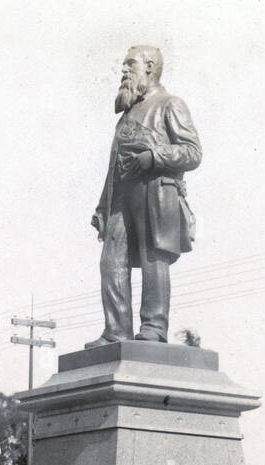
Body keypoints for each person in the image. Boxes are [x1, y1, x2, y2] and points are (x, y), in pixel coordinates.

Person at [86, 45, 201, 347]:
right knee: (111, 262)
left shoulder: (170, 104)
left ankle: (154, 328)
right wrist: (102, 206)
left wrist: (154, 157)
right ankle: (116, 331)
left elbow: (192, 152)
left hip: (155, 193)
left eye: (130, 64)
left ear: (149, 67)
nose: (123, 70)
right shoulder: (125, 116)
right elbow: (113, 167)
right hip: (121, 198)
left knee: (154, 259)